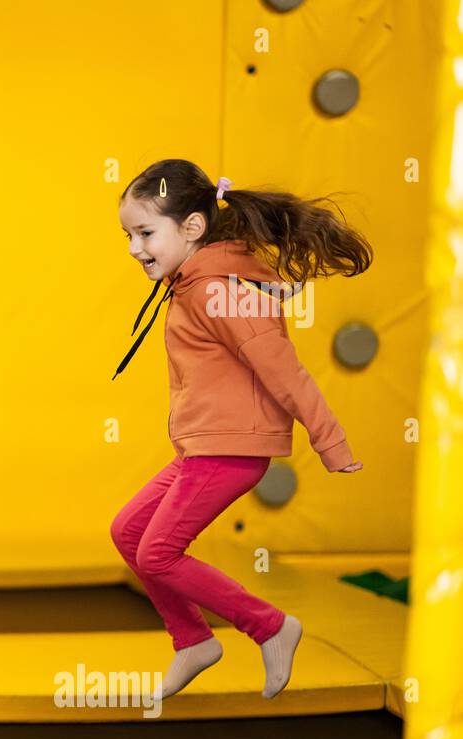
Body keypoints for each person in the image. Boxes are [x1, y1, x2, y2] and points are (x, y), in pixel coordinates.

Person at [112, 159, 371, 700]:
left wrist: (330, 442)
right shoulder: (193, 283)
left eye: (145, 233)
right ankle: (193, 641)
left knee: (158, 552)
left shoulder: (219, 291)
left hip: (230, 448)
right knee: (129, 533)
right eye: (128, 235)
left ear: (192, 228)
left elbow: (286, 371)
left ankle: (271, 626)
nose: (135, 247)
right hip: (203, 448)